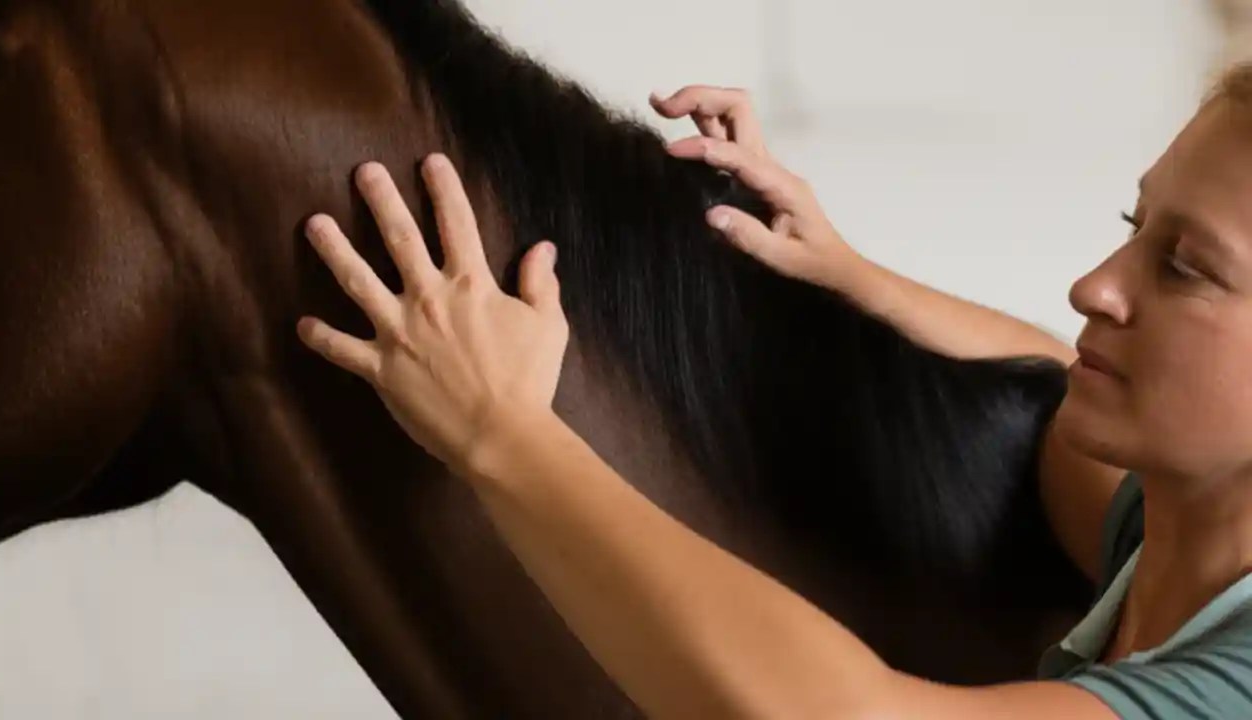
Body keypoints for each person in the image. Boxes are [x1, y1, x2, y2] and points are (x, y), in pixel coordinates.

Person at [294, 69, 1252, 718]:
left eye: (1185, 267)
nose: (1097, 285)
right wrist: (848, 272)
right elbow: (1044, 379)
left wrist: (503, 435)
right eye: (1133, 224)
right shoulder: (1173, 525)